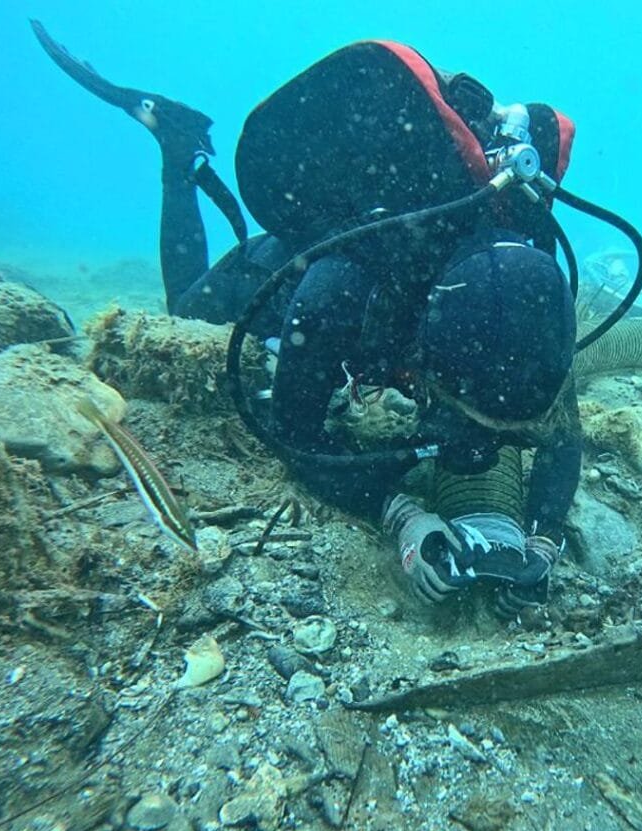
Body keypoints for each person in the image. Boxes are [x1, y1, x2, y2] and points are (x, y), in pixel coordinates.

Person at [32, 21, 592, 618]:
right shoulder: (340, 292)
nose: (487, 446)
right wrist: (398, 513)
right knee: (186, 310)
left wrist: (544, 539)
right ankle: (179, 153)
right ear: (427, 353)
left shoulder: (525, 294)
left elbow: (562, 436)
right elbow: (296, 434)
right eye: (469, 416)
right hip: (298, 263)